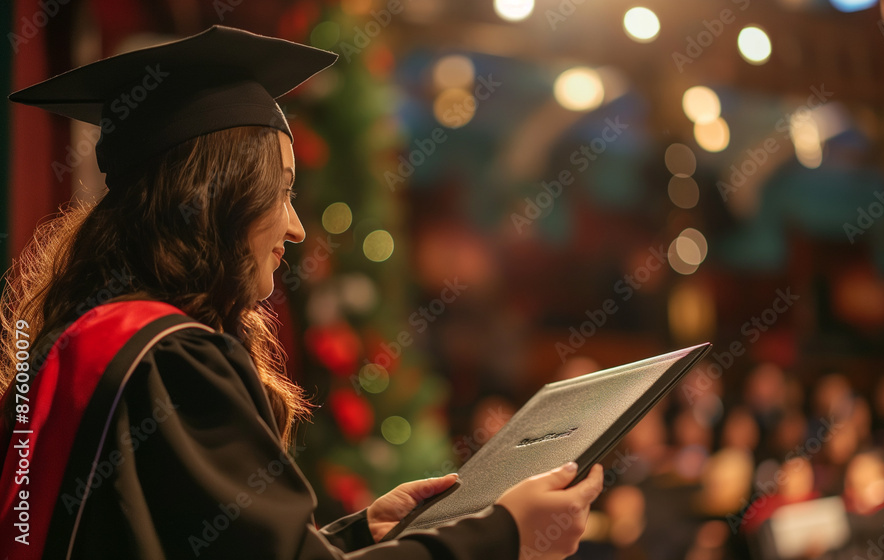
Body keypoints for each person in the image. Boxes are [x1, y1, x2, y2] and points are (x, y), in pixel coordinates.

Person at [0, 25, 603, 559]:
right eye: (282, 190)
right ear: (216, 198)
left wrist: (360, 533)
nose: (296, 226)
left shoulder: (79, 342)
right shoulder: (174, 359)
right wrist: (503, 537)